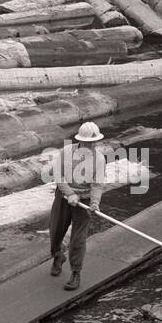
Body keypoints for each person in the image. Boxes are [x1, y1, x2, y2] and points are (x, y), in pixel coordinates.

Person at [49, 121, 109, 292]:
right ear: (80, 140)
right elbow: (59, 176)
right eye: (88, 142)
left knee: (78, 240)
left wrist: (95, 203)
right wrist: (69, 194)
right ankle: (58, 255)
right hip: (64, 197)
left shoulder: (99, 159)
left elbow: (97, 184)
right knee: (55, 232)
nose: (91, 145)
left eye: (93, 142)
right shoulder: (66, 152)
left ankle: (76, 272)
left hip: (84, 202)